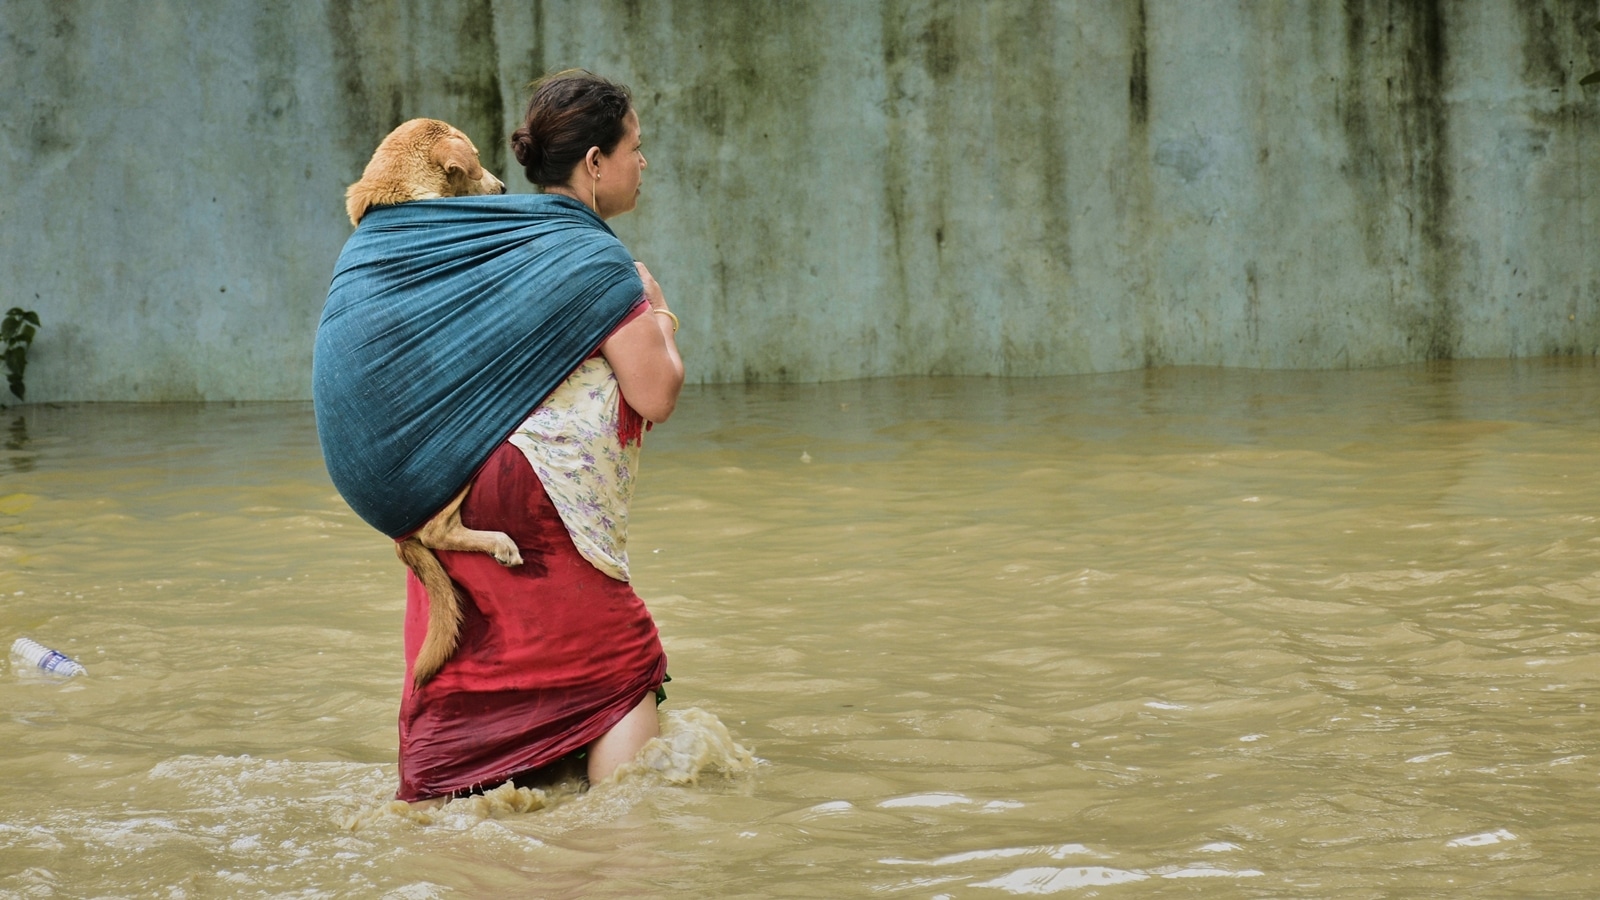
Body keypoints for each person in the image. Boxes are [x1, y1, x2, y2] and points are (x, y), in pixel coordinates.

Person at [313, 69, 683, 804]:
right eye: (636, 147)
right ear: (595, 163)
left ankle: (454, 825)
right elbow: (655, 392)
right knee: (616, 671)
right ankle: (623, 855)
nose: (645, 163)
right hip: (536, 506)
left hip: (442, 499)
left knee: (467, 685)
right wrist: (660, 312)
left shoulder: (482, 239)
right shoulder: (594, 257)